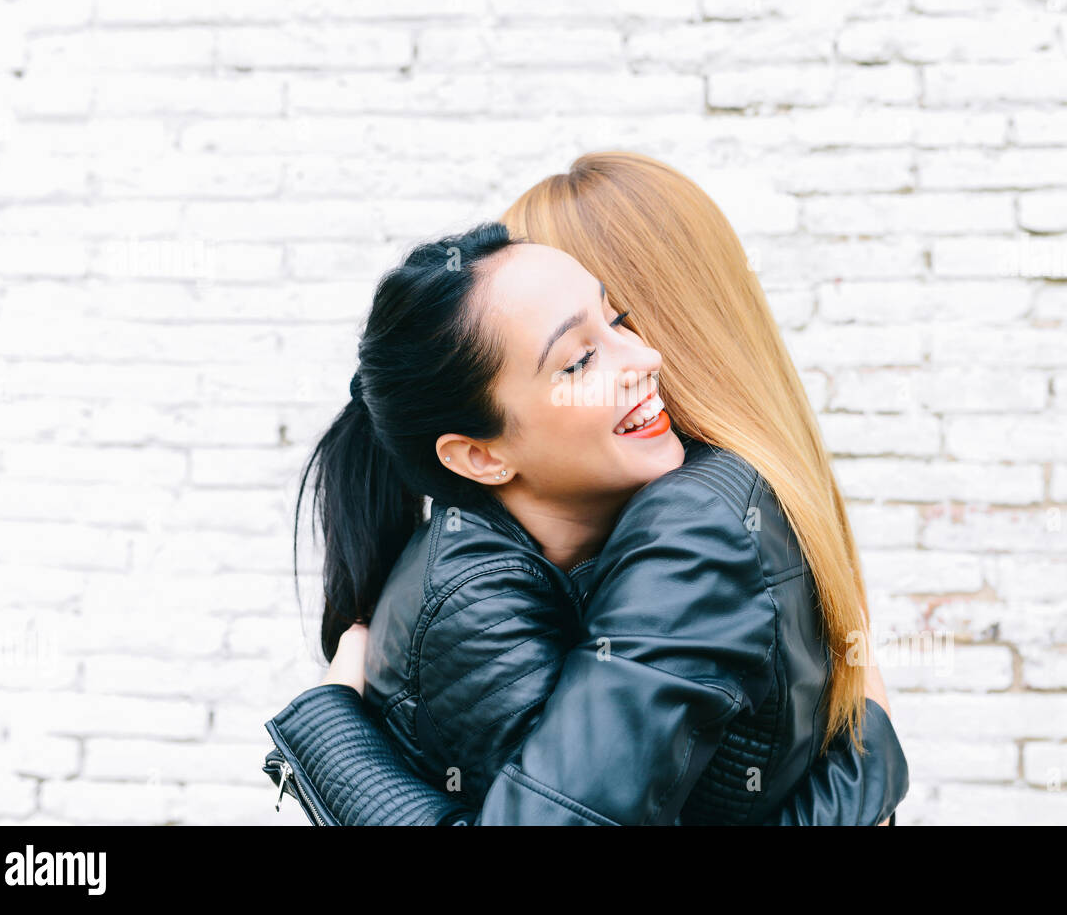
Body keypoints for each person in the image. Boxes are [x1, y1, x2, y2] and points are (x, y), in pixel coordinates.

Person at [265, 153, 908, 825]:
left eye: (620, 317)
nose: (647, 357)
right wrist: (865, 765)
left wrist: (329, 741)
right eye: (578, 358)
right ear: (479, 454)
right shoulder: (488, 593)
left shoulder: (687, 516)